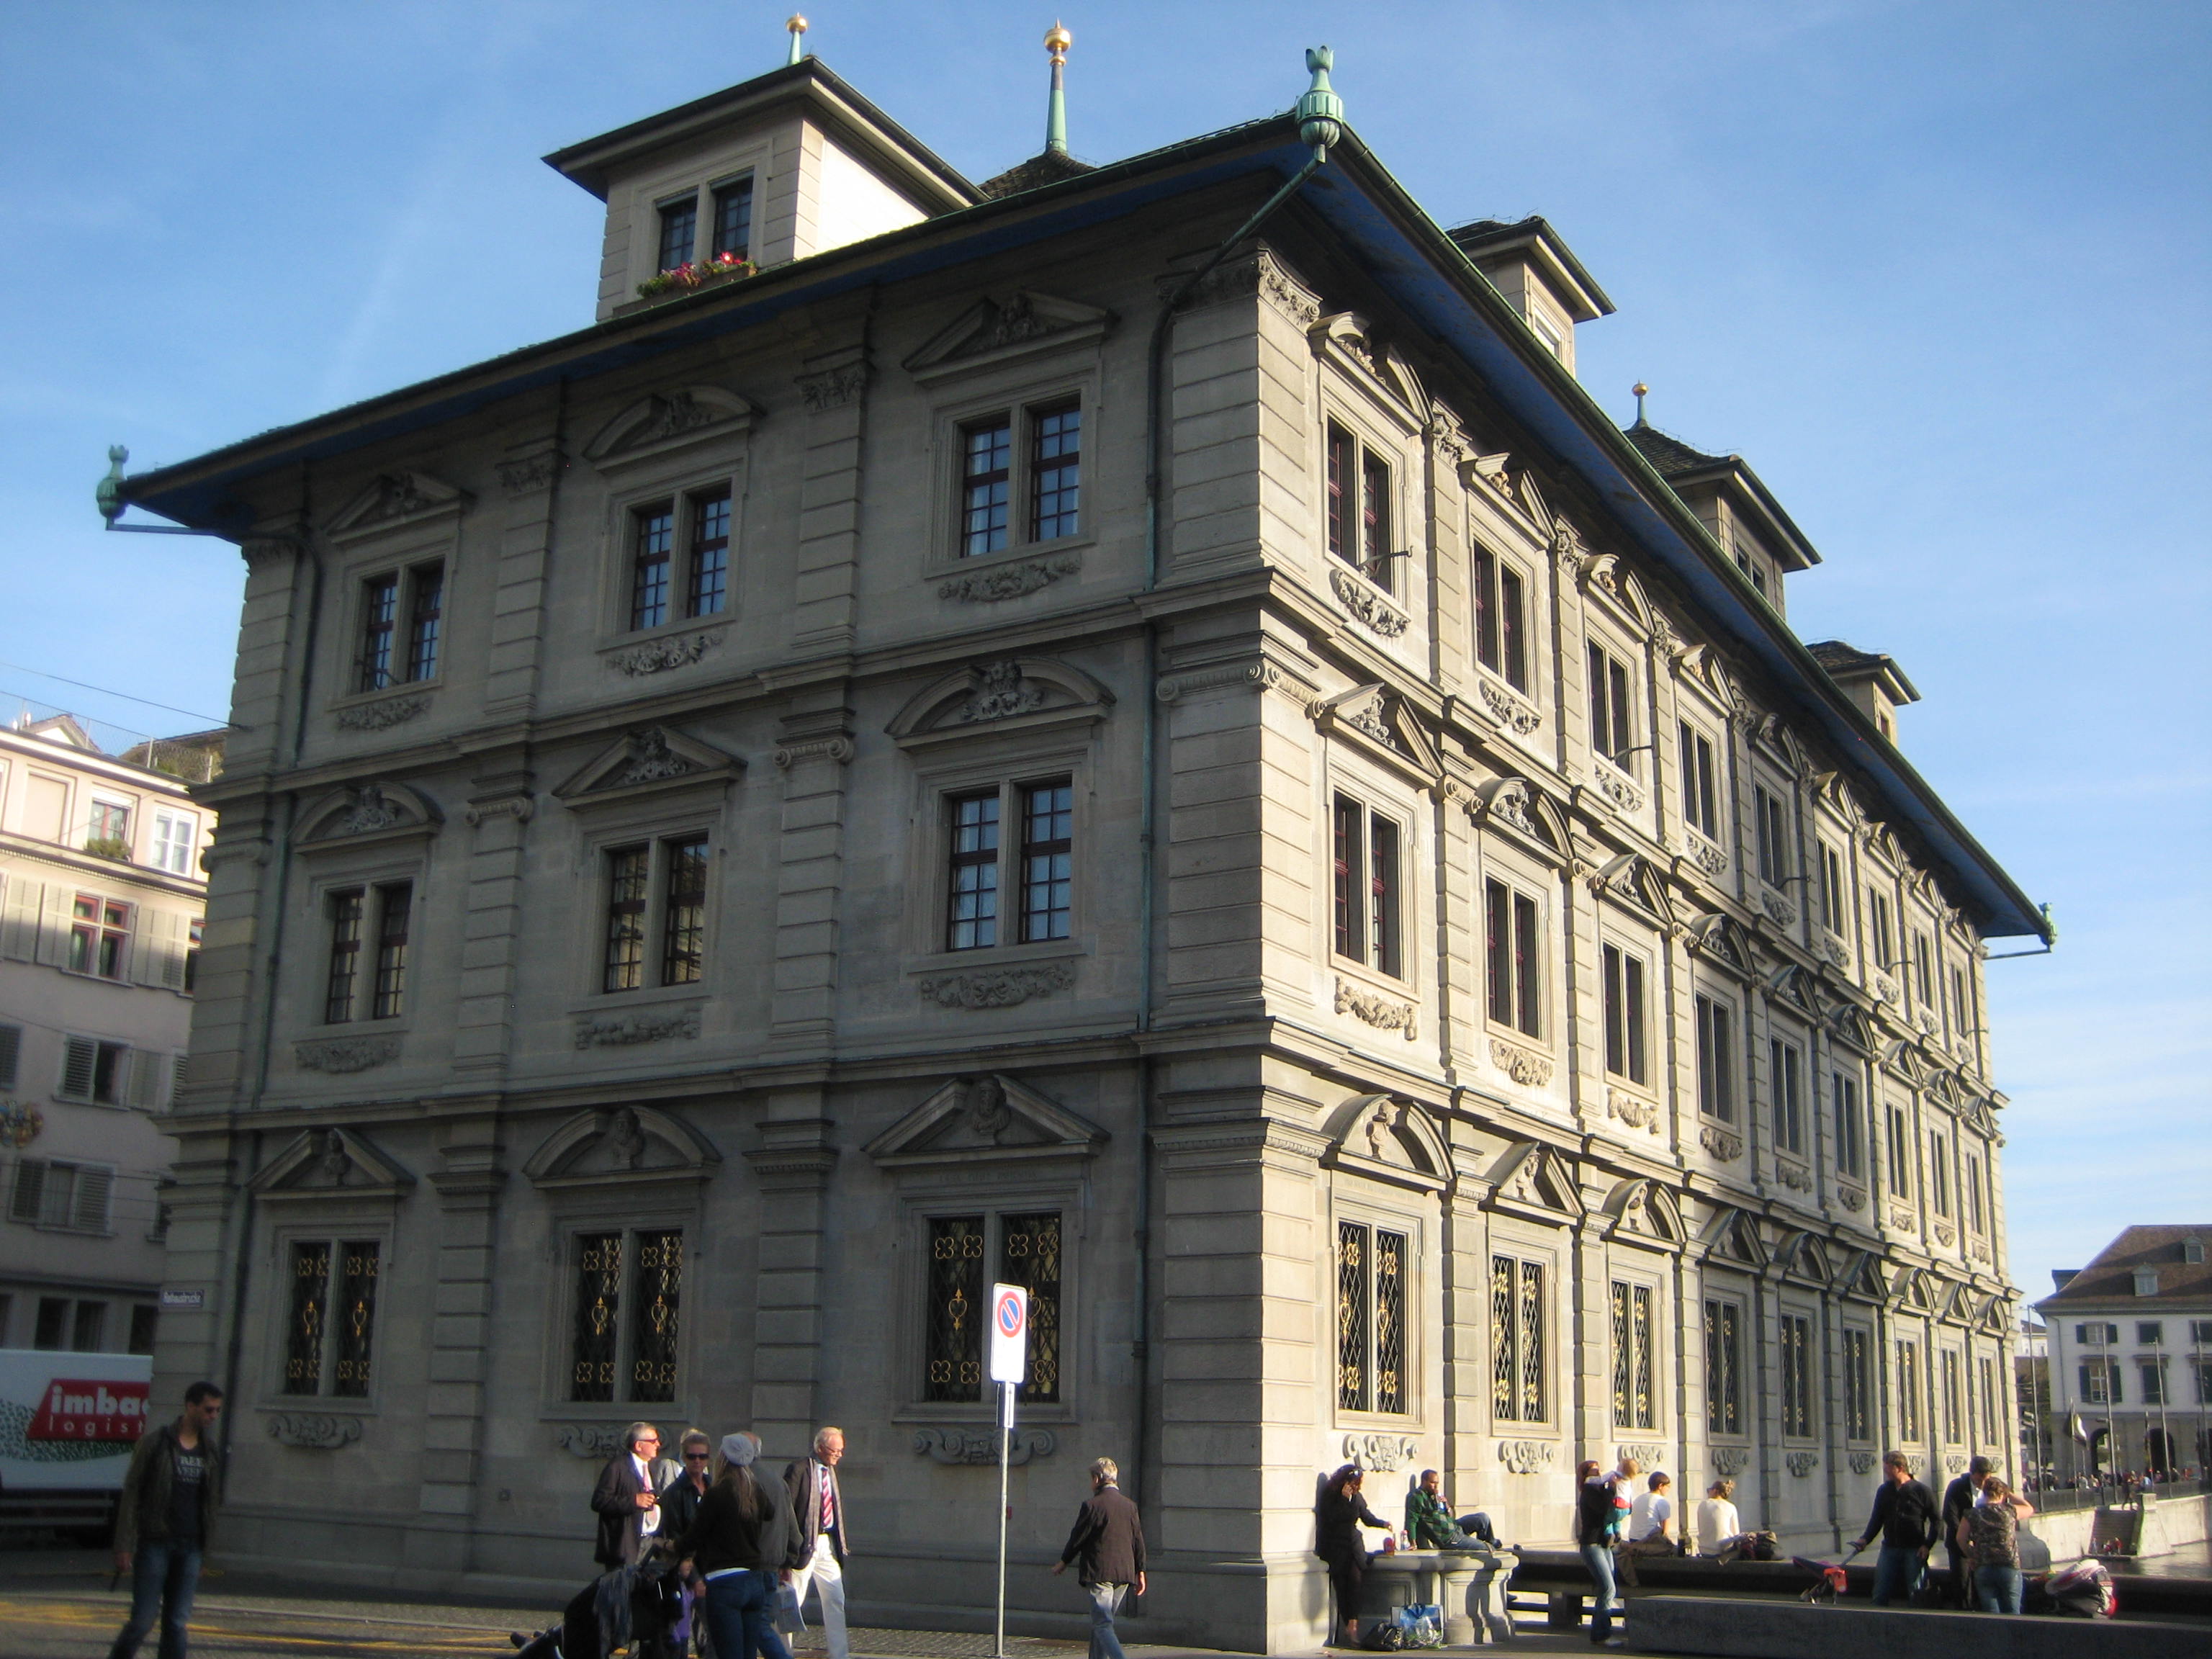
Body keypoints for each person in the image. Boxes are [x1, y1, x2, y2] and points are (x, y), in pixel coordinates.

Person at [107, 1380, 224, 1659]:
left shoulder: (209, 1450)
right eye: (209, 1410)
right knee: (143, 1621)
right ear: (190, 1406)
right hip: (156, 1541)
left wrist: (205, 1554)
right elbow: (132, 1493)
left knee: (176, 1623)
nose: (213, 1417)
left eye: (218, 1411)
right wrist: (125, 1544)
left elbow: (210, 1503)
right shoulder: (157, 1443)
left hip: (191, 1544)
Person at [676, 1433, 806, 1659]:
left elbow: (694, 1537)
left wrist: (672, 1546)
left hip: (725, 1582)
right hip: (753, 1580)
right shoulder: (754, 1490)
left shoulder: (717, 1493)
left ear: (723, 1458)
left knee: (729, 1653)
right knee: (748, 1652)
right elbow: (770, 1513)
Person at [1053, 1456, 1147, 1659]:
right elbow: (1138, 1540)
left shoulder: (1092, 1505)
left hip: (1100, 1572)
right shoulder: (1129, 1506)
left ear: (1097, 1479)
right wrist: (1141, 1571)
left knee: (1103, 1624)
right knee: (1102, 1622)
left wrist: (1064, 1561)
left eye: (1091, 1478)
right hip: (1124, 1573)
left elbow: (1078, 1536)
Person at [784, 1426, 851, 1659]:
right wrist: (788, 1550)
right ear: (821, 1448)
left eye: (841, 1450)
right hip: (803, 1545)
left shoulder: (830, 1472)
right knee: (792, 1602)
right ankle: (782, 1653)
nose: (839, 1455)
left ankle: (839, 1655)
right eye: (836, 1450)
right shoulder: (800, 1469)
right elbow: (787, 1511)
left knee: (835, 1599)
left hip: (827, 1545)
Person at [1315, 1464, 1393, 1645]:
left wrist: (1383, 1524)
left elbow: (1366, 1517)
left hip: (1354, 1547)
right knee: (1342, 1587)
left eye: (1357, 1483)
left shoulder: (1356, 1497)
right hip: (1337, 1547)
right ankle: (1347, 1627)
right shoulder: (1332, 1497)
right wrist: (1343, 1499)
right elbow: (1333, 1518)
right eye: (1352, 1483)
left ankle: (1353, 1625)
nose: (1355, 1487)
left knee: (1356, 1583)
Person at [1851, 1450, 1939, 1606]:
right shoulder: (1884, 1490)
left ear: (1899, 1468)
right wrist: (1865, 1539)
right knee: (1880, 1589)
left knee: (1916, 1591)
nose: (1886, 1473)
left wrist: (1927, 1545)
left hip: (1914, 1548)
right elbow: (1877, 1519)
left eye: (1888, 1469)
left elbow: (1937, 1521)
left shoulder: (1921, 1491)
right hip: (1890, 1547)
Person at [593, 1422, 667, 1569]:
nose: (658, 1444)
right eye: (653, 1441)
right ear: (639, 1446)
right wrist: (634, 1501)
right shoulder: (617, 1467)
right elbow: (599, 1501)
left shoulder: (651, 1466)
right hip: (626, 1546)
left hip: (650, 1542)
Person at [1573, 1461, 1626, 1649]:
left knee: (1608, 1589)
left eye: (1599, 1469)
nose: (1599, 1472)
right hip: (1592, 1545)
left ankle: (1601, 1632)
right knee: (1608, 1588)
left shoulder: (1598, 1490)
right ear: (1587, 1475)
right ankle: (1601, 1635)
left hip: (1604, 1545)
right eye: (1594, 1470)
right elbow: (1604, 1508)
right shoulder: (1589, 1492)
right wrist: (1611, 1489)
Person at [1958, 1475, 2023, 1614]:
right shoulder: (2010, 1511)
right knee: (2013, 1612)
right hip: (2008, 1565)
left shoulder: (1972, 1514)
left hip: (1984, 1566)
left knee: (1991, 1614)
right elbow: (2029, 1507)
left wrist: (1971, 1555)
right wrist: (2009, 1492)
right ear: (2002, 1494)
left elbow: (1960, 1538)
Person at [1939, 1456, 1992, 1608]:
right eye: (1980, 1478)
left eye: (1986, 1479)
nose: (1982, 1483)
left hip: (1983, 1543)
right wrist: (1963, 1537)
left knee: (1983, 1581)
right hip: (1959, 1544)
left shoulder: (1990, 1489)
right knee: (1962, 1583)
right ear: (1972, 1473)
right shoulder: (1957, 1487)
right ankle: (1964, 1612)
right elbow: (1950, 1514)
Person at [1614, 1473, 1675, 1587]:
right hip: (1647, 1541)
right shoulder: (1661, 1501)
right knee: (1670, 1547)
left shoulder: (1638, 1499)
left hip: (1633, 1539)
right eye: (1668, 1487)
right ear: (1661, 1486)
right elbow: (1665, 1531)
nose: (1668, 1490)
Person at [1694, 1479, 1753, 1560]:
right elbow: (1736, 1533)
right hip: (1722, 1551)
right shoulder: (1730, 1507)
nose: (1708, 1493)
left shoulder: (1702, 1504)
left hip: (1704, 1550)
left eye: (1708, 1490)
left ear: (1715, 1491)